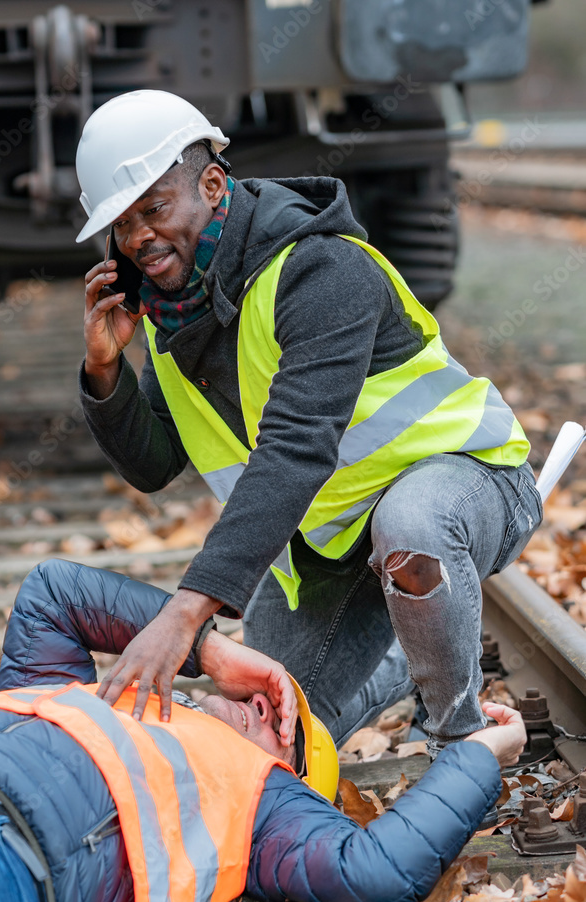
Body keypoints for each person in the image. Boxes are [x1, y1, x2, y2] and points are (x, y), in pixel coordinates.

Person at [76, 90, 542, 757]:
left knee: (409, 529)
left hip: (464, 486)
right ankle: (399, 670)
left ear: (212, 184)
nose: (138, 237)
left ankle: (461, 740)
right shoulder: (172, 312)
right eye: (121, 224)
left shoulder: (319, 268)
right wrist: (103, 371)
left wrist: (185, 613)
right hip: (334, 544)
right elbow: (152, 465)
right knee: (270, 732)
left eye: (154, 209)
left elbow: (295, 448)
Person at [0, 559, 525, 902]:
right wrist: (208, 649)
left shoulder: (262, 808)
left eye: (287, 730)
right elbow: (53, 592)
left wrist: (477, 755)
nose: (265, 707)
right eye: (273, 701)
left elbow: (372, 871)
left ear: (290, 781)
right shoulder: (86, 695)